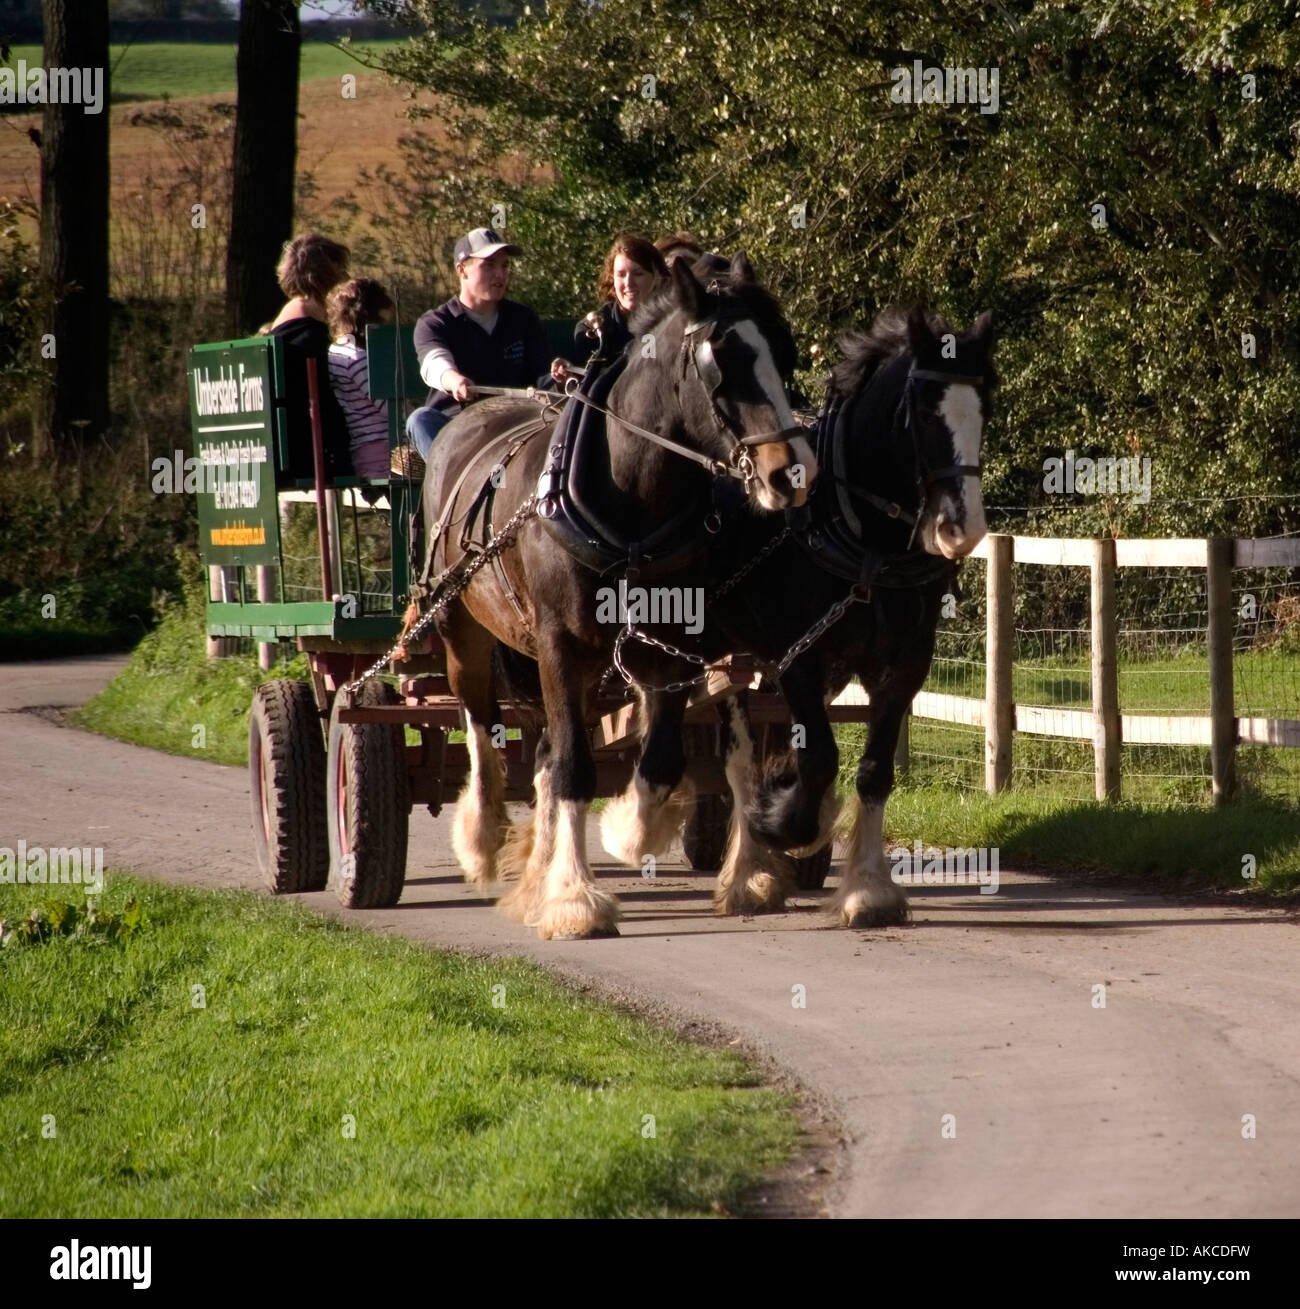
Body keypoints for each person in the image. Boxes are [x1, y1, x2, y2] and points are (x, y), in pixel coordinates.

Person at [406, 227, 552, 459]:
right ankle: (453, 488)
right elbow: (434, 362)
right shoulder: (435, 323)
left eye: (505, 266)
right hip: (459, 431)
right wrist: (453, 380)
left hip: (516, 425)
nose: (500, 275)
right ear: (462, 270)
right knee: (420, 420)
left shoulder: (523, 319)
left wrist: (559, 376)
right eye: (489, 265)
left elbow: (544, 375)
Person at [268, 232, 352, 478]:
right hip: (307, 449)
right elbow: (323, 395)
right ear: (326, 272)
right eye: (341, 269)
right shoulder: (308, 328)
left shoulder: (288, 317)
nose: (345, 276)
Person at [551, 233, 667, 386]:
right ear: (612, 278)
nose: (628, 283)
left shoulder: (673, 324)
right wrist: (565, 375)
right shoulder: (593, 332)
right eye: (621, 275)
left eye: (638, 274)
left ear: (656, 278)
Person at [327, 277, 396, 480]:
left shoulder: (336, 350)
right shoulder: (359, 358)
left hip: (364, 447)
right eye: (380, 322)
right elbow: (388, 407)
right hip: (383, 449)